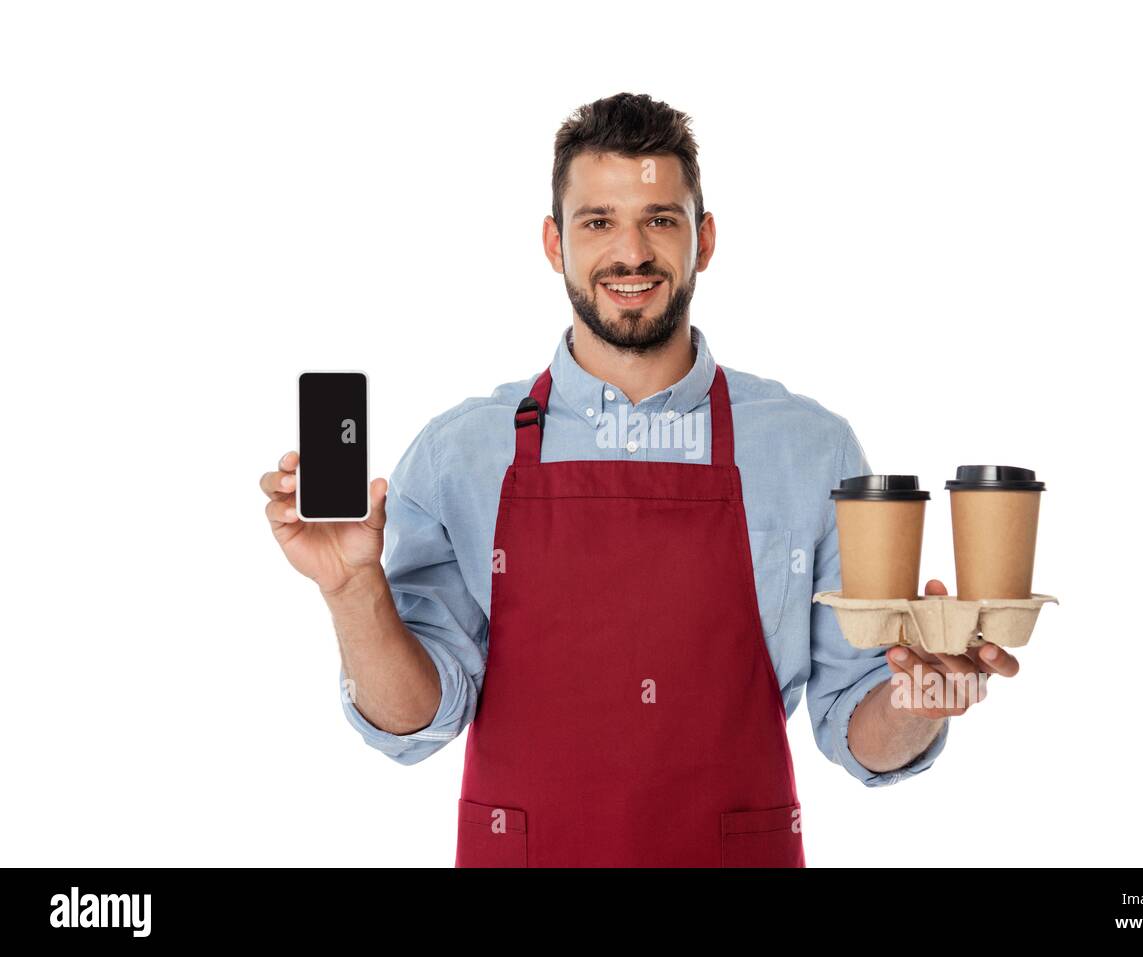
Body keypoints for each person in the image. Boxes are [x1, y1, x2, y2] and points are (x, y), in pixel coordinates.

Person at [259, 92, 1020, 867]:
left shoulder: (812, 450)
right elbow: (414, 718)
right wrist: (352, 587)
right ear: (554, 243)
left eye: (661, 218)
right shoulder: (462, 453)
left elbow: (861, 728)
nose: (632, 253)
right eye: (598, 222)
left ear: (705, 239)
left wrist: (923, 696)